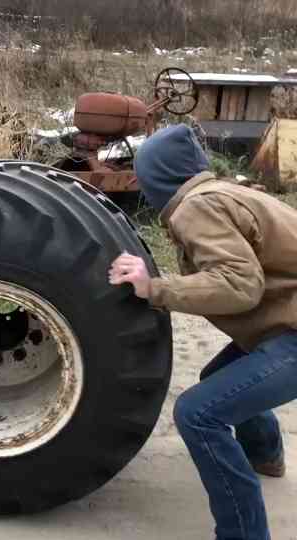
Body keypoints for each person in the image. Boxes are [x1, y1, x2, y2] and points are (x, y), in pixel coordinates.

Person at [108, 124, 297, 540]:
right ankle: (266, 455)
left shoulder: (197, 207)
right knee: (218, 380)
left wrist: (154, 289)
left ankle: (244, 534)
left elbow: (239, 285)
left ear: (158, 177)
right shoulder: (224, 192)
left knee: (198, 414)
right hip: (283, 324)